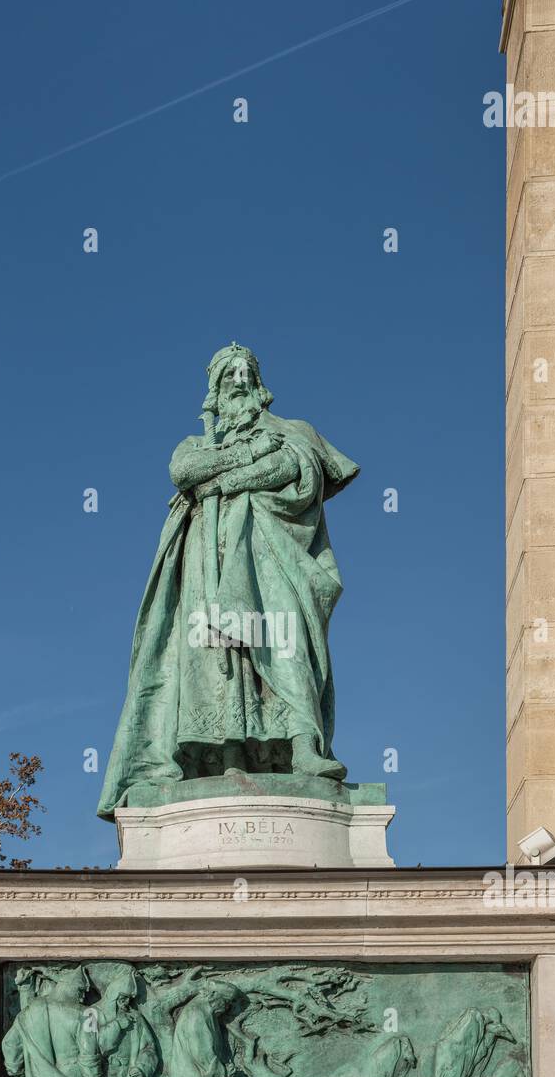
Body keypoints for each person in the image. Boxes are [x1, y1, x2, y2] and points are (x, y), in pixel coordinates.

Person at [98, 343, 359, 815]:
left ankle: (304, 747)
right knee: (216, 654)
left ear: (260, 385)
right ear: (215, 391)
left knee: (286, 644)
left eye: (246, 373)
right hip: (206, 560)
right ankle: (227, 753)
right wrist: (244, 455)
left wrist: (225, 481)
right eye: (228, 376)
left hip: (273, 555)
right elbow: (184, 471)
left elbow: (294, 469)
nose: (238, 382)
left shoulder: (289, 432)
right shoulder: (198, 443)